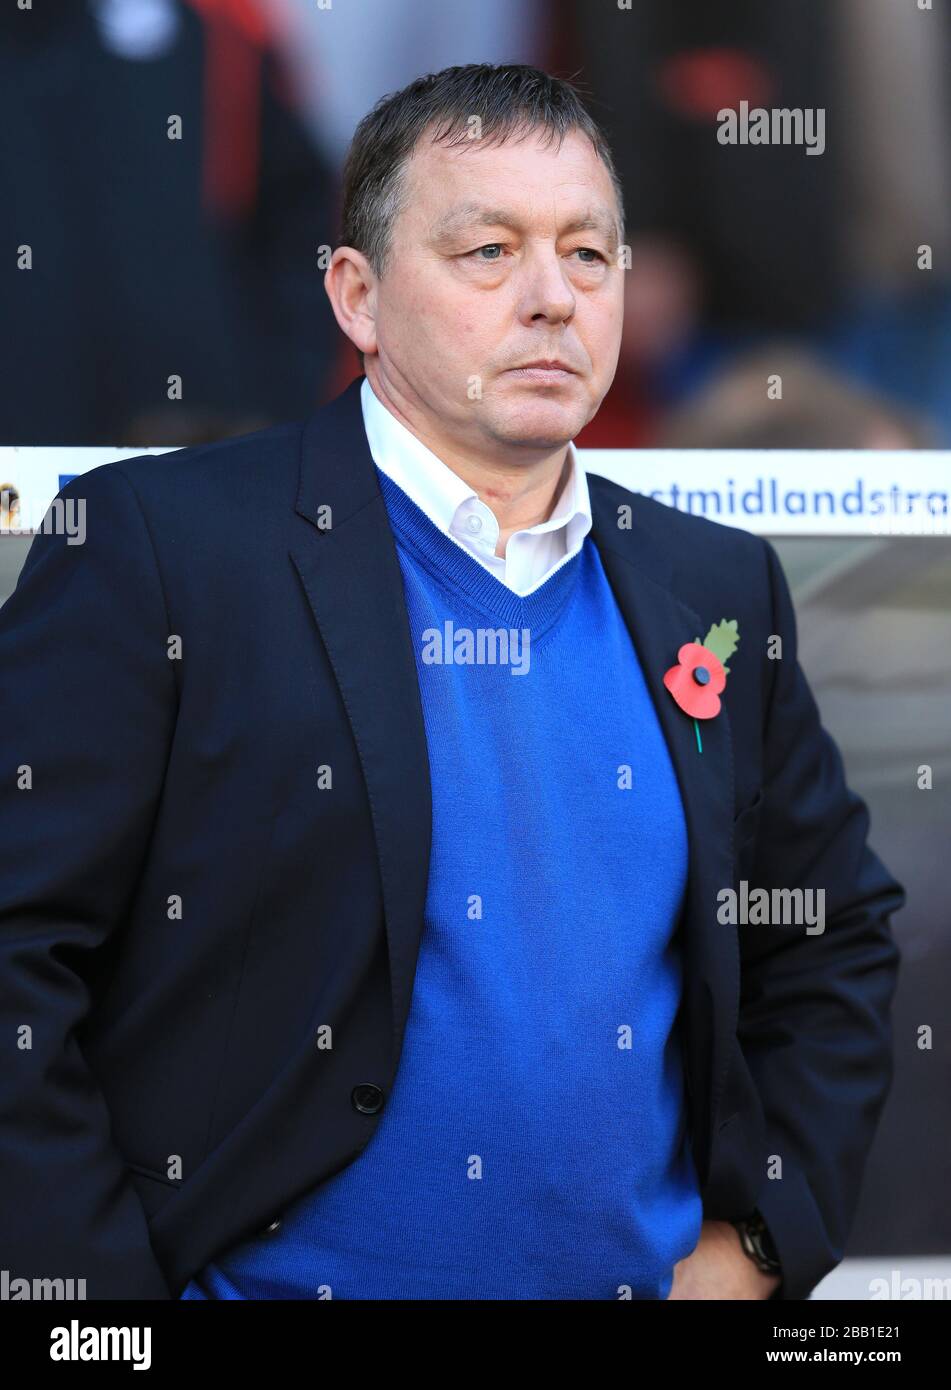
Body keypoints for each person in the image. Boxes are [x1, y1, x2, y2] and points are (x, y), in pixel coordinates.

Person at [0, 64, 904, 1301]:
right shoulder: (162, 549)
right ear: (356, 297)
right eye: (489, 250)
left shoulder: (716, 586)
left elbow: (831, 936)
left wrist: (756, 1246)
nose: (552, 299)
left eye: (590, 255)